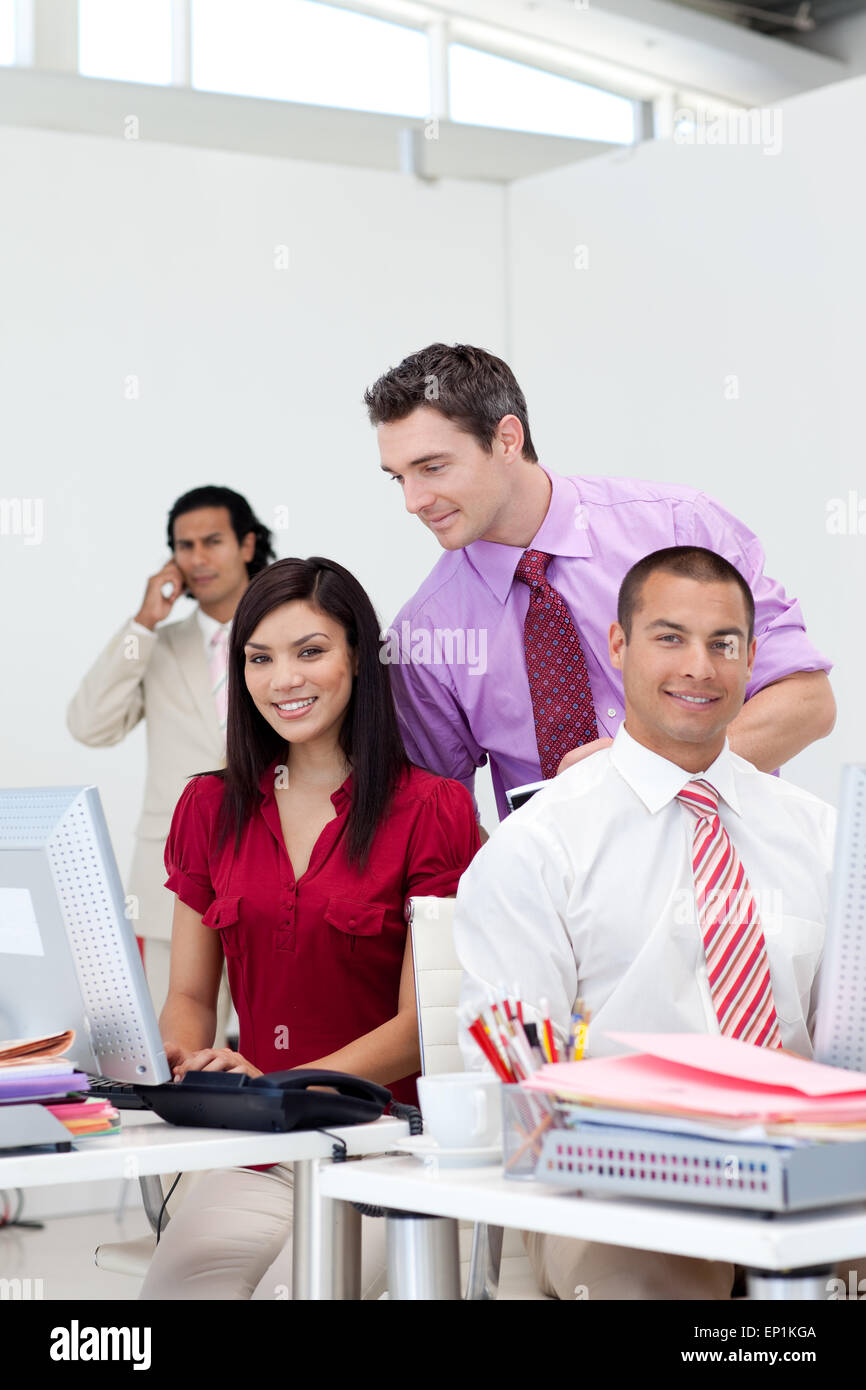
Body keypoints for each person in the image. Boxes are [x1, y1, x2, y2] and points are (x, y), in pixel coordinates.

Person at [454, 546, 838, 1299]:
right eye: (670, 637)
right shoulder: (540, 843)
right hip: (616, 1191)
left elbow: (848, 1048)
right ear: (619, 646)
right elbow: (516, 1081)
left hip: (802, 1175)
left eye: (723, 644)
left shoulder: (819, 835)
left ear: (752, 659)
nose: (700, 666)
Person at [139, 556, 479, 1299]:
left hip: (389, 1150)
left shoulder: (432, 810)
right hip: (260, 1149)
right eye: (259, 658)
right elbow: (192, 994)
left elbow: (423, 1023)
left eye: (310, 651)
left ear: (357, 655)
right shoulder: (209, 808)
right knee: (172, 1296)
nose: (283, 679)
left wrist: (284, 1082)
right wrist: (177, 1056)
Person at [365, 344, 835, 822]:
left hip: (728, 872)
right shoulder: (424, 635)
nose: (414, 501)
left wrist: (635, 775)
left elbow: (808, 702)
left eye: (432, 467)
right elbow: (438, 827)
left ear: (507, 439)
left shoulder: (680, 529)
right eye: (398, 478)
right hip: (565, 894)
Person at [67, 486, 275, 1026]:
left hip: (281, 860)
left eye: (212, 541)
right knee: (175, 1050)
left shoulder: (291, 632)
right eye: (184, 546)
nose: (198, 558)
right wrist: (144, 621)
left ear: (247, 543)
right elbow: (89, 724)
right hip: (177, 875)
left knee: (275, 1045)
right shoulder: (155, 643)